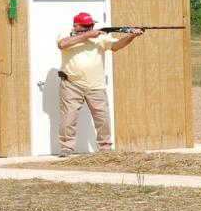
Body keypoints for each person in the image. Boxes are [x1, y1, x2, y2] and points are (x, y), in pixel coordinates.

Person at [56, 13, 141, 156]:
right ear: (76, 26)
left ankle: (105, 148)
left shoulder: (101, 37)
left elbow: (116, 46)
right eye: (87, 26)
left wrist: (131, 36)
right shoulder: (66, 34)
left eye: (91, 25)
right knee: (69, 117)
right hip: (71, 84)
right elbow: (62, 44)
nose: (91, 27)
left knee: (103, 118)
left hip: (96, 85)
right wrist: (88, 35)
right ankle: (66, 147)